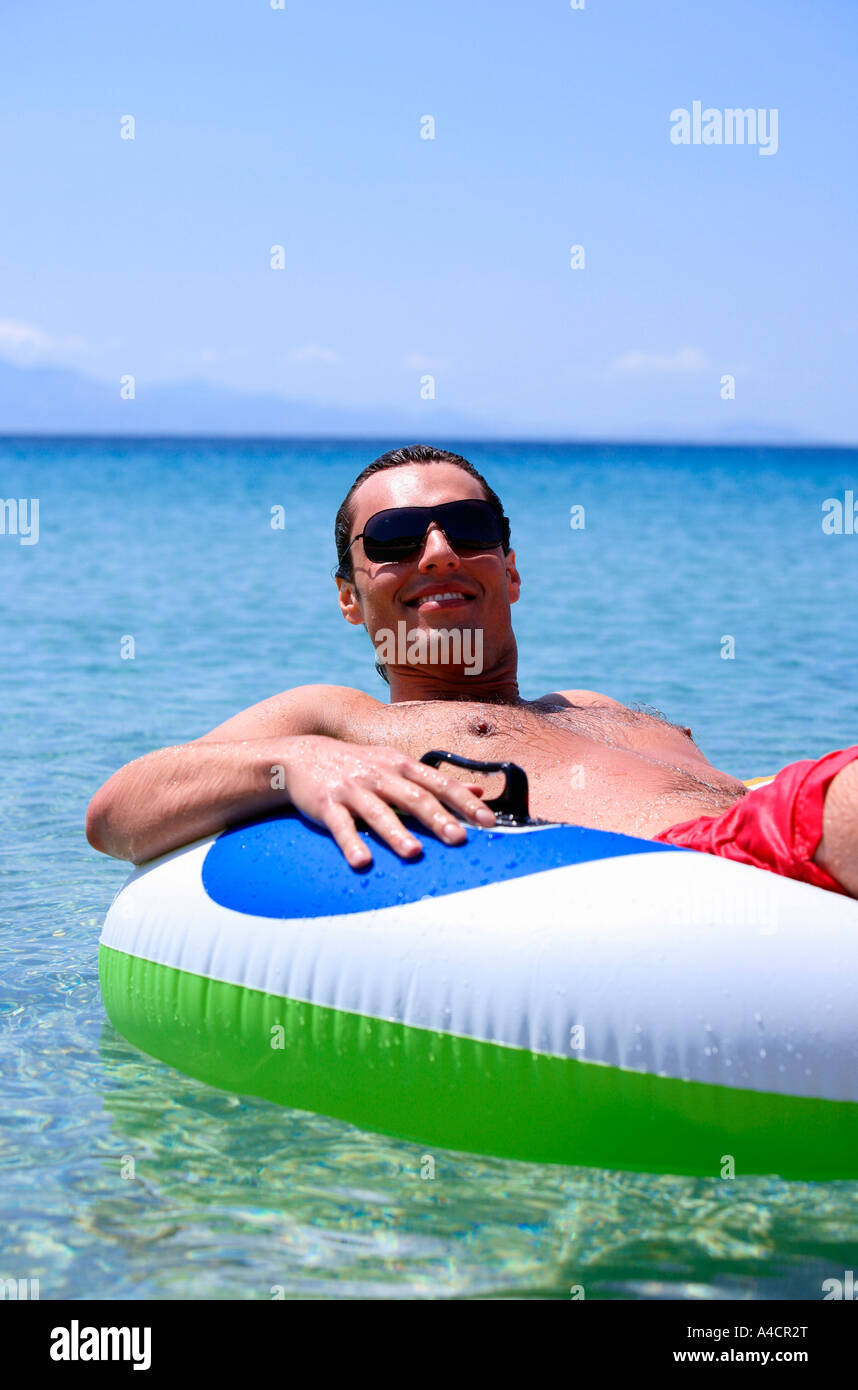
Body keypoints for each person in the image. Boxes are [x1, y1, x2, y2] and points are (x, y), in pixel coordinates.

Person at [86, 445, 858, 897]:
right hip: (714, 869)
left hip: (786, 831)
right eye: (392, 539)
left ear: (510, 572)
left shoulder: (591, 706)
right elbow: (118, 812)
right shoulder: (346, 718)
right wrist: (297, 761)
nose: (439, 551)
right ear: (350, 601)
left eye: (468, 528)